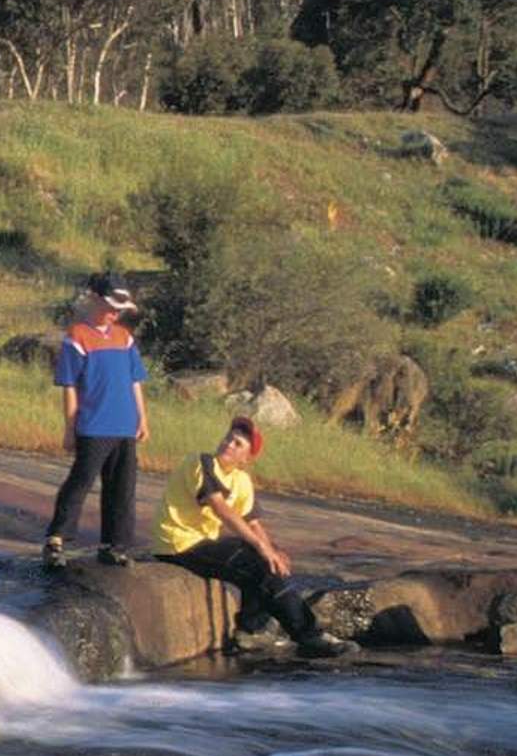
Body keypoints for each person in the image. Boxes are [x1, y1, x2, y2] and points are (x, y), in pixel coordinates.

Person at [155, 416, 358, 659]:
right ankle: (309, 635)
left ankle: (250, 631)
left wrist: (273, 550)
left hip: (203, 542)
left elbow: (253, 522)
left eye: (238, 444)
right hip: (179, 543)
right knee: (257, 560)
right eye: (229, 438)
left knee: (269, 561)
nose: (229, 444)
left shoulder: (241, 480)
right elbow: (221, 508)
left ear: (246, 458)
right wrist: (261, 547)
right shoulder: (202, 462)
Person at [42, 274, 148, 572]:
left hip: (125, 423)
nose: (116, 312)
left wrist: (143, 417)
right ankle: (56, 539)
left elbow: (135, 381)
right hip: (94, 424)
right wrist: (69, 427)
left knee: (123, 487)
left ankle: (114, 545)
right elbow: (69, 386)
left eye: (121, 308)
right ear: (96, 299)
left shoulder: (124, 337)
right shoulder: (77, 336)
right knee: (81, 482)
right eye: (113, 305)